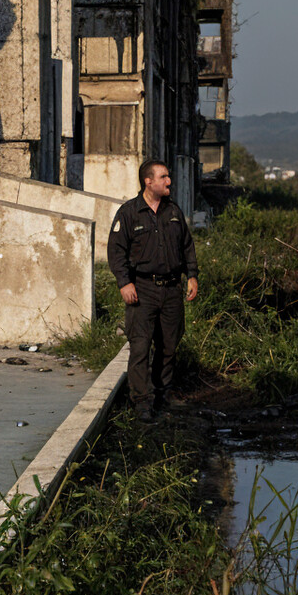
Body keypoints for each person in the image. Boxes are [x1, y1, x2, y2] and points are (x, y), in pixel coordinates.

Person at [107, 160, 199, 421]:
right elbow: (116, 251)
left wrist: (191, 275)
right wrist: (124, 282)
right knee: (140, 346)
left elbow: (187, 246)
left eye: (168, 177)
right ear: (148, 181)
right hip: (143, 289)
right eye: (164, 177)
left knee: (169, 345)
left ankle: (162, 394)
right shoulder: (128, 213)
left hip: (172, 289)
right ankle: (142, 401)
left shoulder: (173, 211)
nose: (169, 181)